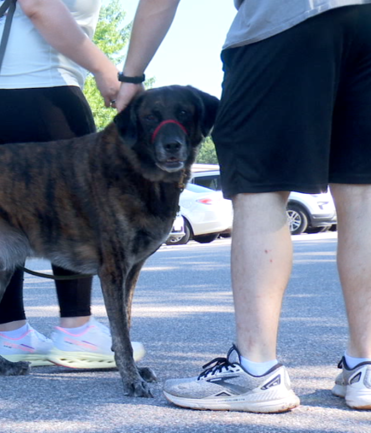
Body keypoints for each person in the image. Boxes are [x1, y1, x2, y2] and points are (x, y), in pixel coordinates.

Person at [115, 0, 371, 413]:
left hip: (285, 21)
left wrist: (131, 76)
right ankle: (367, 366)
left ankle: (255, 371)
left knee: (260, 188)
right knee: (362, 192)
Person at [0, 0, 145, 369]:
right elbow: (38, 5)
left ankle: (12, 334)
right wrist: (104, 68)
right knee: (78, 208)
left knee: (5, 216)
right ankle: (77, 331)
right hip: (39, 84)